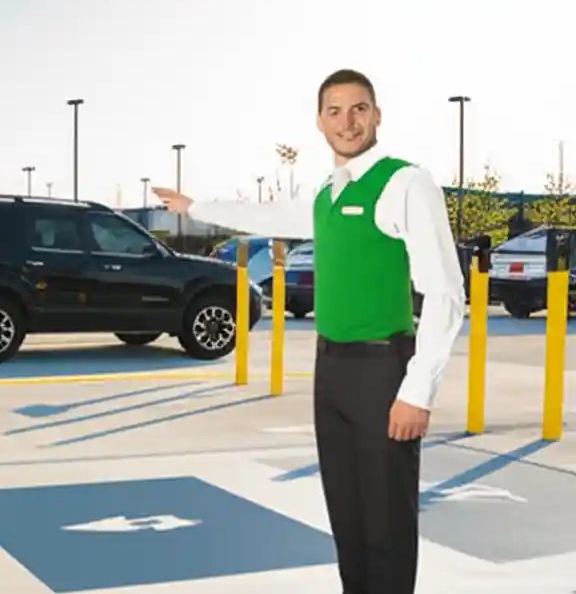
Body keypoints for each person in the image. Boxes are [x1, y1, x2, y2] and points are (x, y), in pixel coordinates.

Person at [154, 68, 464, 594]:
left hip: (383, 370)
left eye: (359, 108)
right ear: (320, 121)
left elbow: (446, 293)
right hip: (332, 369)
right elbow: (268, 213)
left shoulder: (405, 183)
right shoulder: (326, 192)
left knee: (385, 524)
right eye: (334, 111)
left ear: (377, 114)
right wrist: (195, 207)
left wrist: (417, 391)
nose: (348, 121)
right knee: (347, 517)